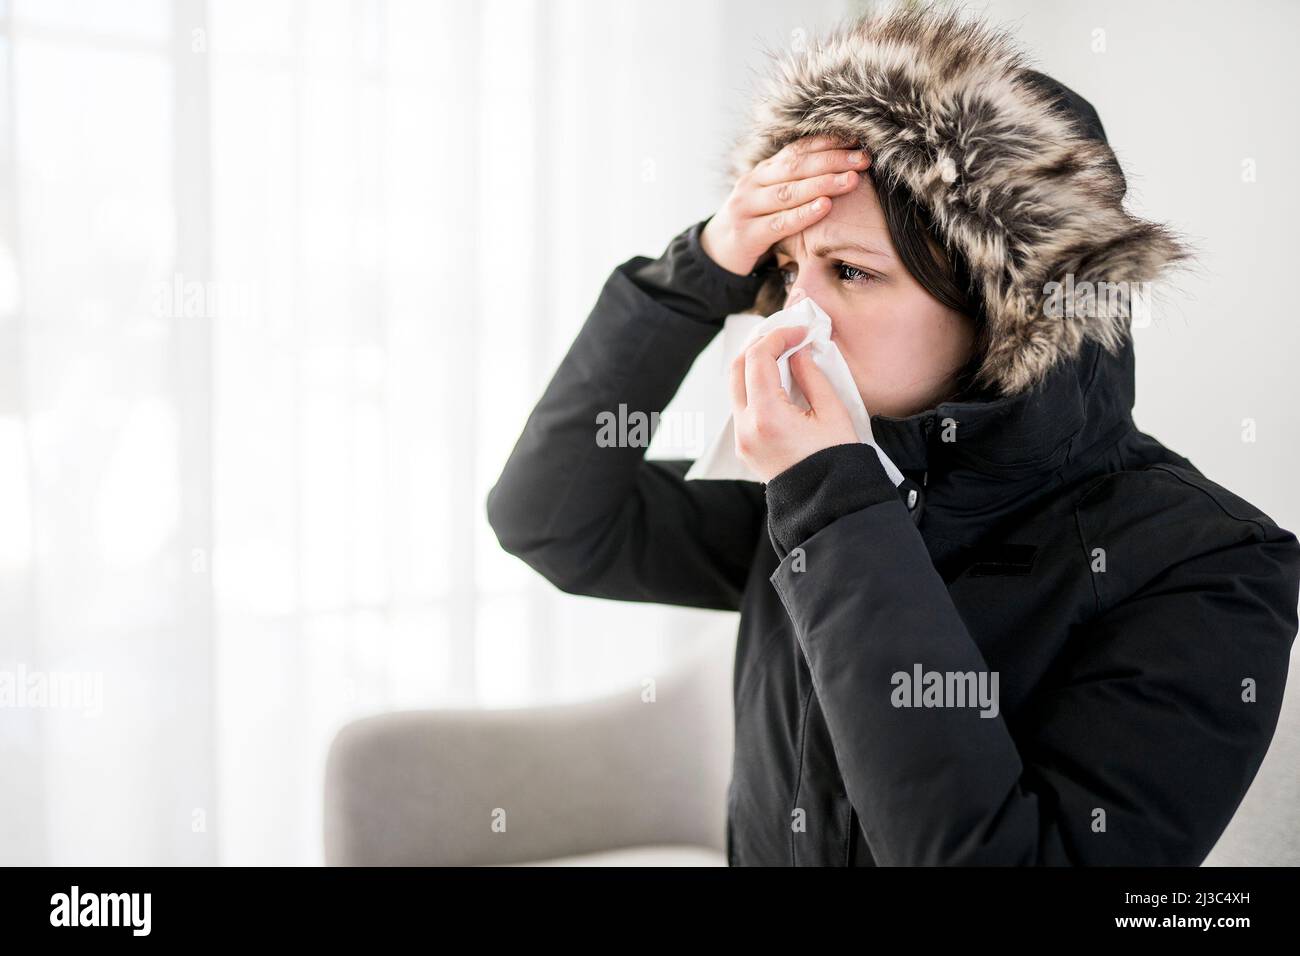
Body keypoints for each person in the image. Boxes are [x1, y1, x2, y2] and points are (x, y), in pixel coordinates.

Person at [486, 6, 1300, 865]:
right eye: (785, 267)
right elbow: (553, 521)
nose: (798, 311)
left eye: (850, 271)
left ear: (1008, 309)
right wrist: (700, 267)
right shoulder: (803, 484)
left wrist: (836, 505)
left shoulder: (1211, 566)